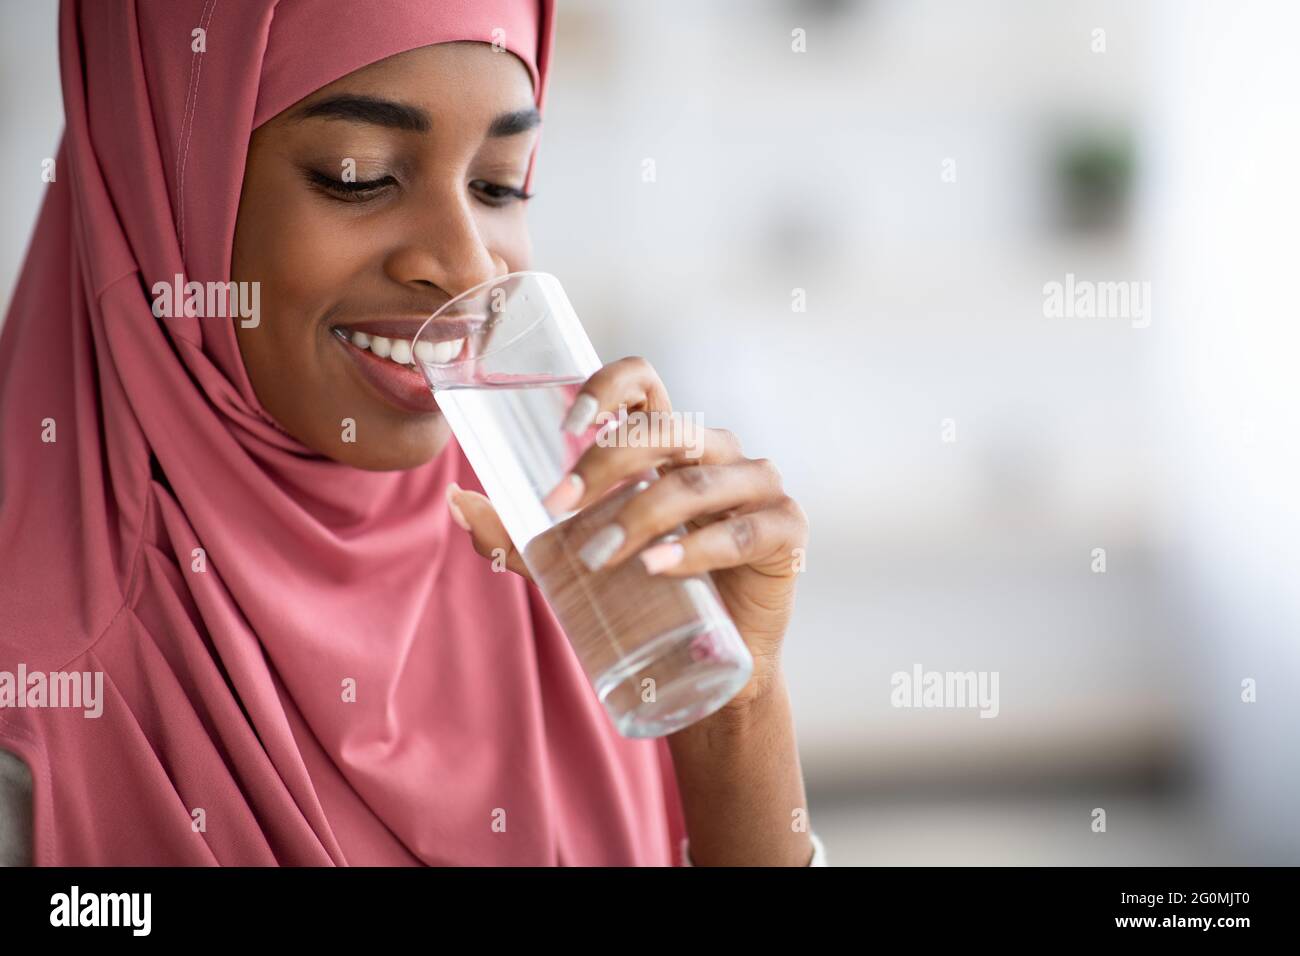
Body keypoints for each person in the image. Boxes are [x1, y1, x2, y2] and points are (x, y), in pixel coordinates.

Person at [0, 0, 823, 866]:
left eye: (499, 183)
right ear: (161, 186)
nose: (468, 266)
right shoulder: (43, 715)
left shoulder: (573, 567)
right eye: (358, 176)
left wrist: (738, 718)